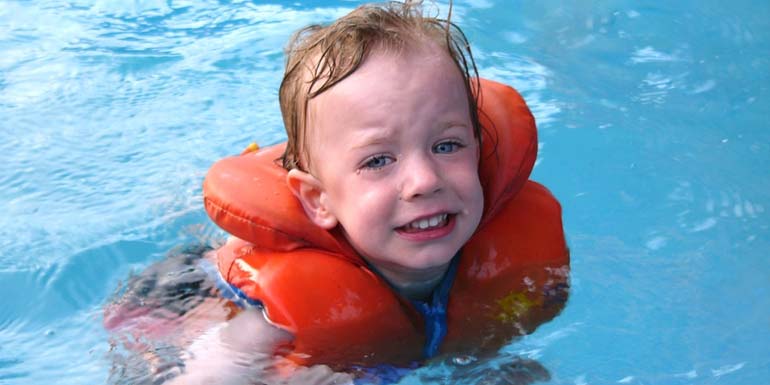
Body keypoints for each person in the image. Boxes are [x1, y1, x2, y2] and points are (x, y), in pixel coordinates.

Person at [106, 2, 569, 384]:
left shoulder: (512, 241)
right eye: (378, 161)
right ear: (317, 200)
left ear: (477, 147)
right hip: (190, 293)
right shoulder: (271, 323)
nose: (425, 180)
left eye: (446, 145)